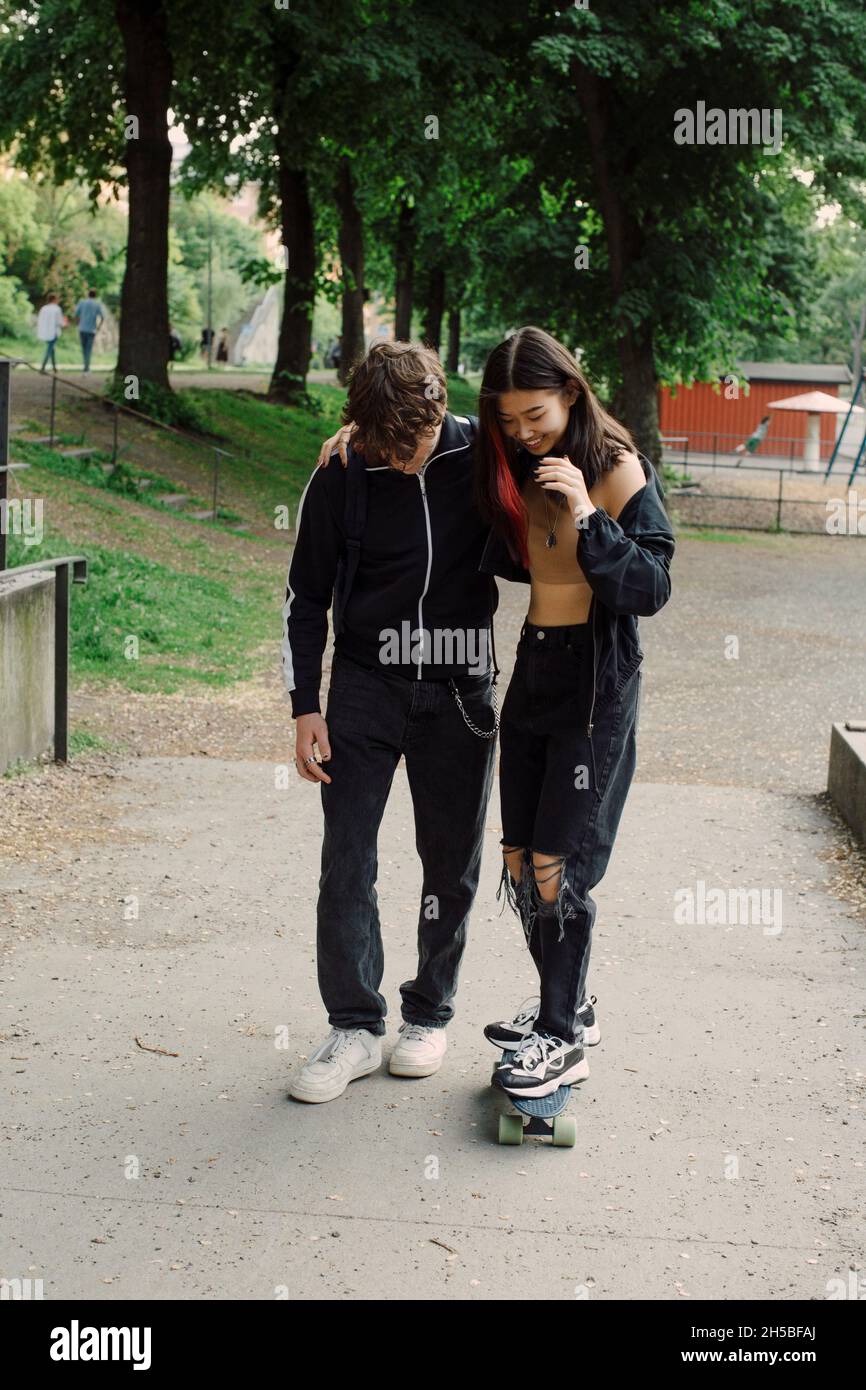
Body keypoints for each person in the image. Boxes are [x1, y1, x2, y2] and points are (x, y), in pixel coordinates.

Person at [283, 340, 498, 1103]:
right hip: (366, 689)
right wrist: (305, 704)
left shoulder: (482, 450)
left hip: (461, 690)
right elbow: (305, 597)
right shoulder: (344, 469)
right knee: (347, 857)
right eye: (386, 444)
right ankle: (354, 1025)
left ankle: (429, 1014)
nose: (402, 459)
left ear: (441, 409)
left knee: (451, 861)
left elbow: (569, 431)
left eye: (415, 443)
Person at [474, 327, 675, 1097]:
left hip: (597, 679)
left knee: (559, 866)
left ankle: (561, 1037)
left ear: (570, 392)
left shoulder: (616, 467)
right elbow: (435, 429)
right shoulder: (507, 459)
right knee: (521, 859)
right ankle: (568, 1005)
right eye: (509, 419)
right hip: (537, 665)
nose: (524, 433)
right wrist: (354, 425)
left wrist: (591, 514)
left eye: (537, 416)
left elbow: (652, 585)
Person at [73, 289, 104, 372]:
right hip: (91, 330)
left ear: (88, 294)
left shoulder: (82, 302)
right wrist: (99, 327)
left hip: (82, 328)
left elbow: (75, 314)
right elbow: (102, 317)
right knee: (88, 349)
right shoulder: (97, 304)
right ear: (95, 295)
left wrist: (77, 323)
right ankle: (87, 367)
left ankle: (85, 366)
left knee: (84, 348)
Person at [36, 293, 65, 373]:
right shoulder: (57, 309)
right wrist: (65, 324)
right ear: (54, 299)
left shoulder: (44, 308)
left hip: (46, 332)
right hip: (53, 333)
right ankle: (43, 367)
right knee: (49, 350)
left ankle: (54, 368)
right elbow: (60, 322)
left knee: (52, 349)